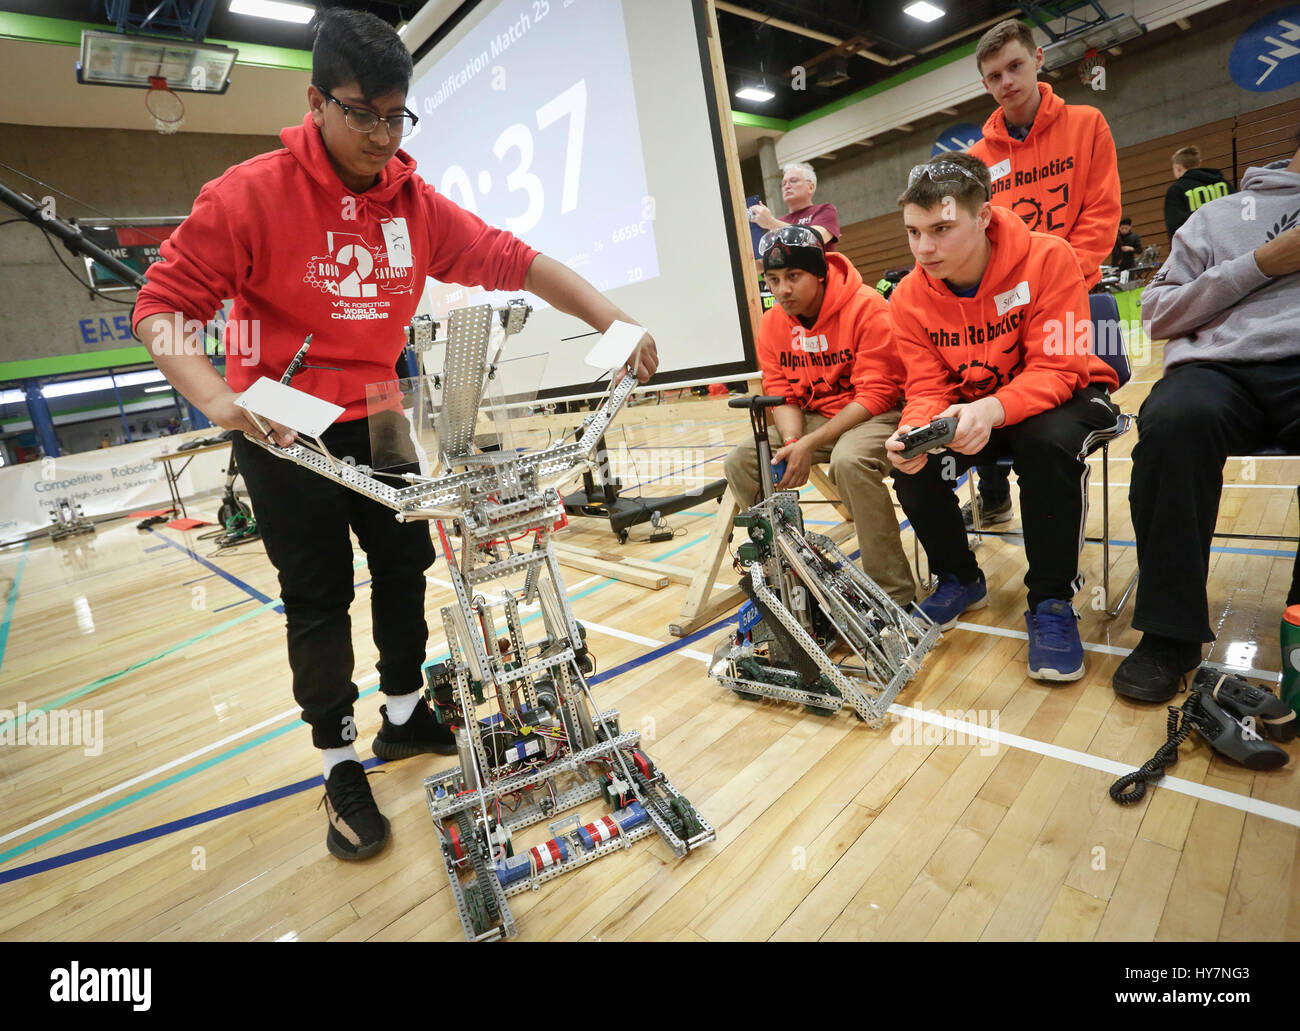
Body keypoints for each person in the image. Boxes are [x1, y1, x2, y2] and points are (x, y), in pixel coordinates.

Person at [132, 9, 656, 862]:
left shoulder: (413, 201)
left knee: (406, 565)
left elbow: (518, 261)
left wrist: (617, 321)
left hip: (376, 409)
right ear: (316, 102)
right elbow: (157, 310)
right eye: (362, 113)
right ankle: (339, 761)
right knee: (318, 591)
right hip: (283, 420)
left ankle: (405, 715)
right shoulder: (248, 194)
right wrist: (220, 402)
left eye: (395, 116)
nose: (382, 135)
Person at [884, 153, 1121, 681]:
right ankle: (959, 578)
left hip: (1068, 393)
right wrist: (917, 425)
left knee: (1047, 441)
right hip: (975, 405)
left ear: (983, 217)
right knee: (911, 456)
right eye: (914, 232)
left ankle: (1052, 601)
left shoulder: (1049, 258)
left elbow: (1060, 369)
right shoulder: (905, 298)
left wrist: (990, 410)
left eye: (941, 229)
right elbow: (926, 387)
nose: (925, 248)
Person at [1113, 129, 1300, 702]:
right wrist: (1262, 264)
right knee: (1171, 423)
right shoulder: (1216, 217)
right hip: (1218, 370)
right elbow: (1158, 312)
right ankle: (1169, 633)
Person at [964, 18, 1121, 530]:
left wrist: (1056, 279)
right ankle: (992, 493)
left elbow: (1100, 214)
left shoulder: (1086, 123)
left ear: (1038, 59)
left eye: (1014, 66)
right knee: (976, 384)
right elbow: (976, 242)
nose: (1006, 81)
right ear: (985, 85)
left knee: (1047, 415)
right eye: (993, 76)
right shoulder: (976, 160)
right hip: (1004, 308)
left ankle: (1050, 523)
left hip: (1070, 295)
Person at [722, 225, 915, 607]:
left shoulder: (867, 308)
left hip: (874, 413)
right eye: (773, 280)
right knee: (743, 462)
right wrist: (794, 442)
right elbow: (781, 394)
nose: (782, 290)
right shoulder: (774, 323)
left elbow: (877, 394)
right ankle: (790, 576)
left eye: (793, 277)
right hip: (813, 417)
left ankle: (892, 595)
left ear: (820, 273)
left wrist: (810, 443)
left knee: (850, 462)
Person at [747, 163, 841, 251]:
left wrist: (771, 222)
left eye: (793, 181)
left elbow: (815, 238)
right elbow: (762, 264)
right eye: (783, 184)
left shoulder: (825, 210)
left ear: (811, 187)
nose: (787, 186)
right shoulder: (780, 220)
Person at [1165, 144, 1232, 239]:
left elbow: (1175, 228)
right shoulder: (1223, 183)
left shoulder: (1177, 189)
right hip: (1229, 240)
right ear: (1199, 163)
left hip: (1200, 247)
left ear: (1178, 168)